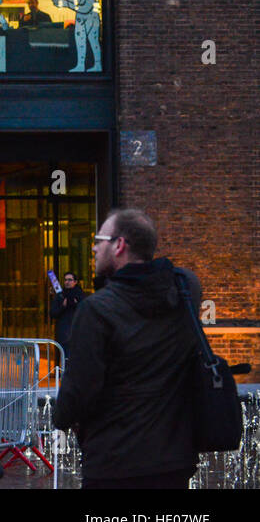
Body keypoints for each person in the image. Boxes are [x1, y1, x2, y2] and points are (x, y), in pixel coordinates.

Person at [53, 208, 201, 489]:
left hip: (115, 460)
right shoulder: (183, 294)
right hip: (173, 458)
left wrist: (60, 416)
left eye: (99, 240)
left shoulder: (96, 310)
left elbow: (79, 389)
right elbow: (185, 275)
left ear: (119, 245)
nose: (94, 247)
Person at [48, 271, 86, 356]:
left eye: (70, 280)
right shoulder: (60, 296)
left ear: (75, 282)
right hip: (64, 334)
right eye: (65, 280)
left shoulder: (80, 296)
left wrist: (76, 304)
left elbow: (85, 312)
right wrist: (62, 306)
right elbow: (52, 313)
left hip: (77, 333)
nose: (67, 282)